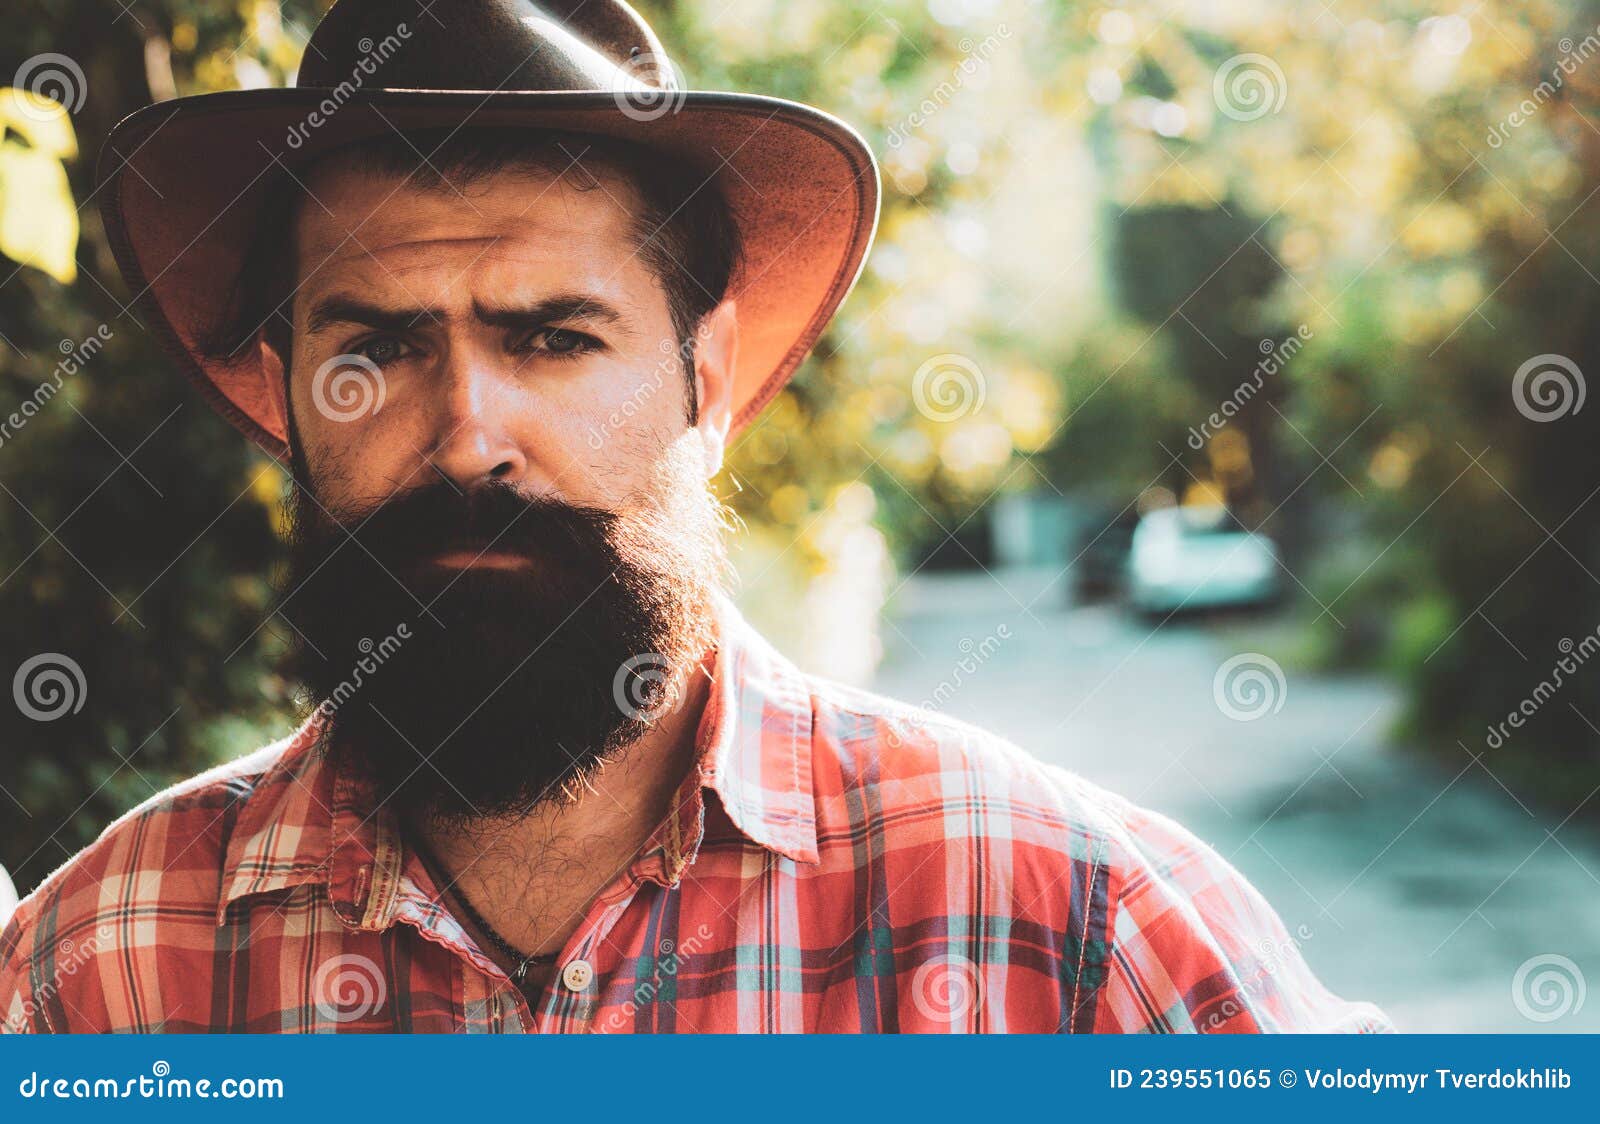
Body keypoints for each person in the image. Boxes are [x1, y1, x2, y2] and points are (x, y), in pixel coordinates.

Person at [0, 0, 1389, 1033]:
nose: (469, 436)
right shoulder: (97, 977)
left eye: (552, 338)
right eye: (373, 348)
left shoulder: (1065, 927)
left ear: (706, 380)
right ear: (286, 395)